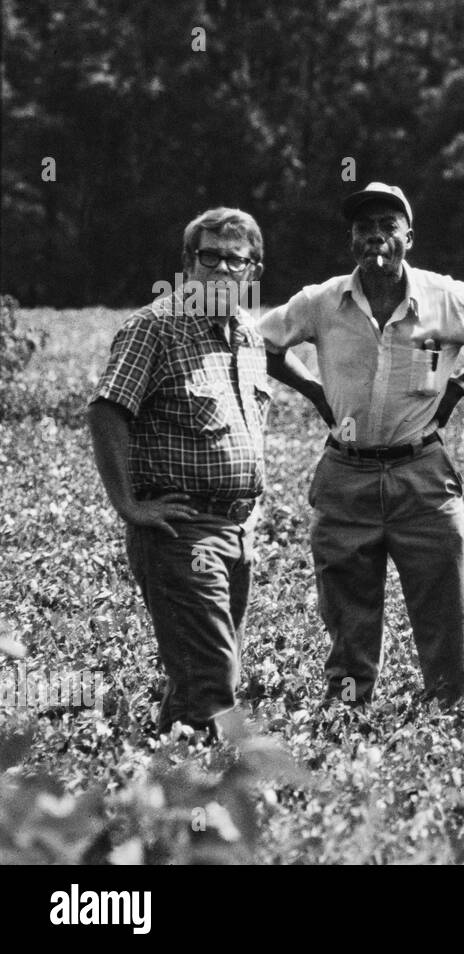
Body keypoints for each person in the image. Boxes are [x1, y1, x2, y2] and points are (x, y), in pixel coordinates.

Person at [257, 182, 464, 711]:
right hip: (346, 476)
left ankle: (454, 714)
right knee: (347, 615)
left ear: (408, 237)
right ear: (351, 241)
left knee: (446, 612)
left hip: (422, 473)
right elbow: (262, 342)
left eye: (387, 227)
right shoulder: (321, 302)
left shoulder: (446, 297)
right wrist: (313, 391)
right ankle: (348, 715)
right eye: (364, 228)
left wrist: (458, 388)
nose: (376, 238)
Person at [88, 208, 326, 736]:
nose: (221, 269)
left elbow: (272, 378)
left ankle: (163, 788)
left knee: (203, 679)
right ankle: (205, 802)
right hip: (180, 531)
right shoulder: (155, 328)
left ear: (253, 271)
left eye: (234, 260)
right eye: (209, 256)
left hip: (236, 531)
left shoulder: (246, 333)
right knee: (212, 682)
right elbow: (107, 410)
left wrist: (321, 395)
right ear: (188, 263)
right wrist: (129, 505)